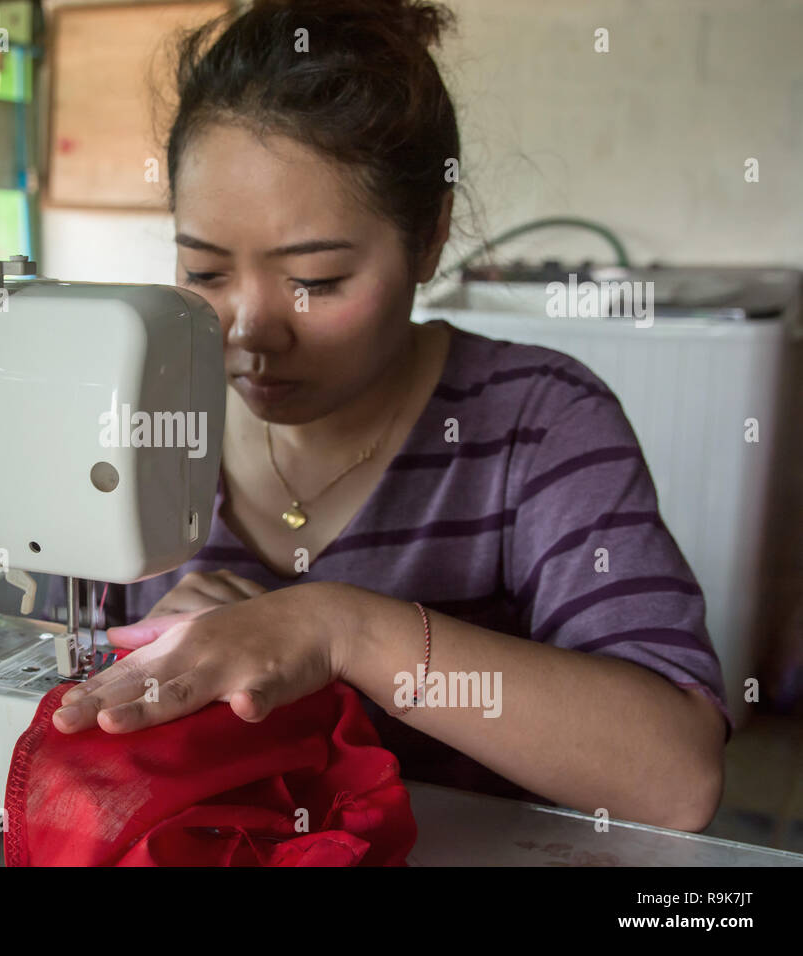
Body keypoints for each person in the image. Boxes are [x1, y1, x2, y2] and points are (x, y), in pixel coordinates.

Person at [49, 0, 729, 832]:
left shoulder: (538, 424)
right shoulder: (135, 419)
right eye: (206, 271)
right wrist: (143, 678)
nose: (252, 330)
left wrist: (341, 629)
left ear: (431, 237)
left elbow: (677, 776)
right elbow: (34, 689)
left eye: (320, 280)